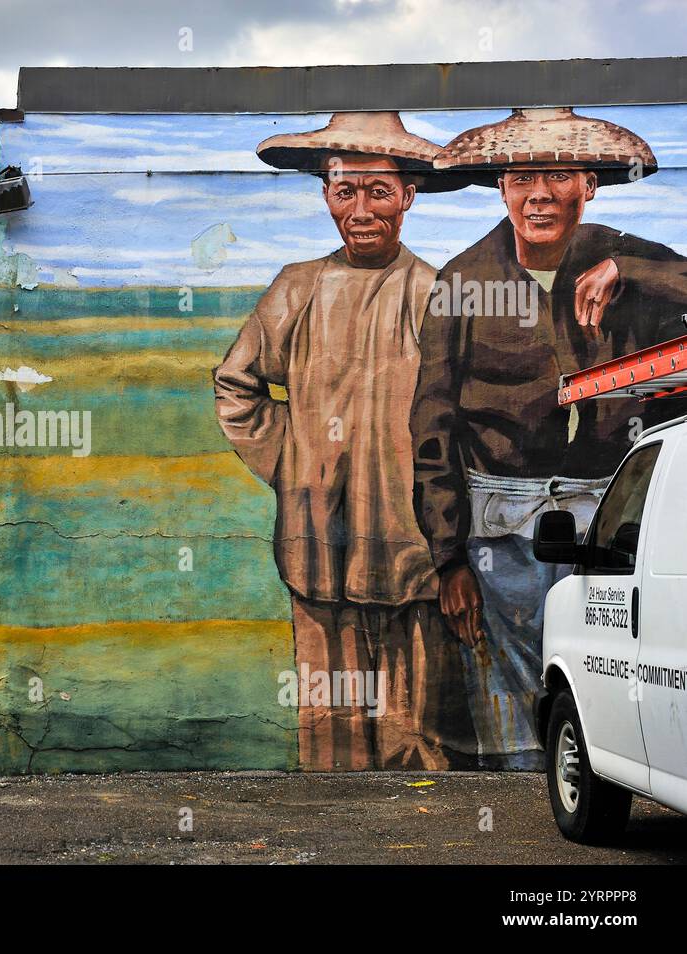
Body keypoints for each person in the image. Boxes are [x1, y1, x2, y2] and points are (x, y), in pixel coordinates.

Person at [414, 107, 687, 768]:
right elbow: (432, 426)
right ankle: (518, 825)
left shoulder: (628, 254)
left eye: (559, 173)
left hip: (610, 525)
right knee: (512, 709)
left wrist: (628, 270)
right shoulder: (463, 281)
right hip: (501, 536)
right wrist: (449, 560)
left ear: (588, 185)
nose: (540, 192)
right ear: (502, 187)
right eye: (523, 175)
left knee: (611, 685)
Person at [214, 111, 476, 771]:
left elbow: (464, 426)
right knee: (329, 749)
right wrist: (293, 461)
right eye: (343, 190)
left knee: (414, 744)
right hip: (316, 560)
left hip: (412, 562)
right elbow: (236, 386)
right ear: (326, 194)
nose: (360, 209)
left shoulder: (434, 294)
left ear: (409, 194)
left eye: (378, 191)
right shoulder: (297, 289)